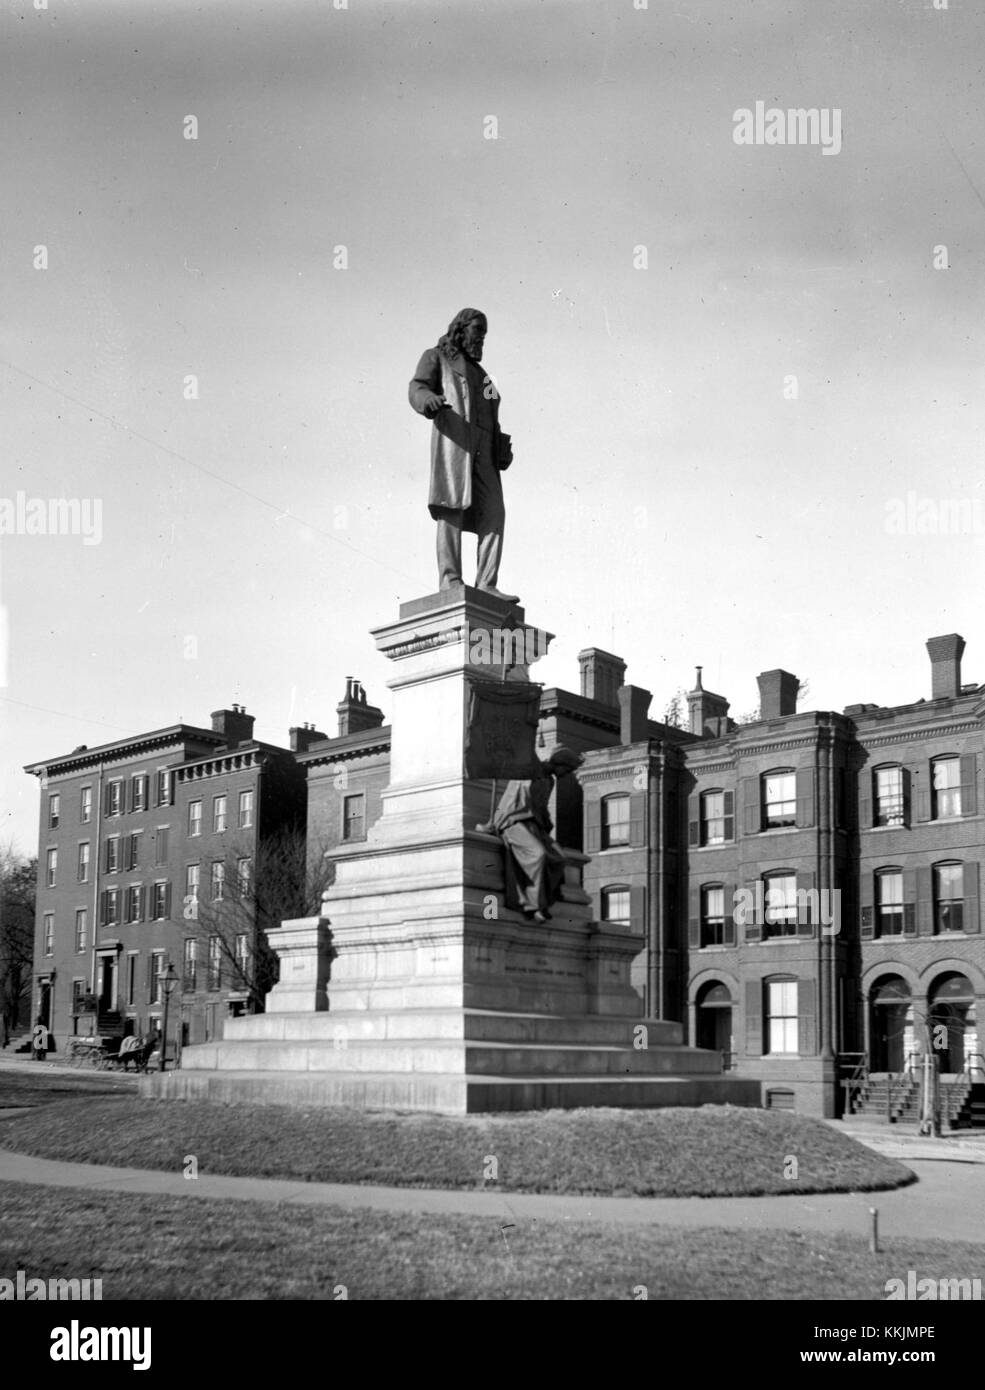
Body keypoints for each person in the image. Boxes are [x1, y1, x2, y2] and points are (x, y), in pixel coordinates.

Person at [408, 308, 518, 601]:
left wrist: (500, 445)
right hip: (456, 442)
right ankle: (450, 580)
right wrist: (427, 399)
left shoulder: (484, 377)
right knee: (451, 507)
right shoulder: (437, 357)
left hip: (485, 451)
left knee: (494, 512)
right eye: (477, 330)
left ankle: (486, 583)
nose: (481, 337)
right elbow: (417, 386)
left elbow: (494, 412)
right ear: (461, 328)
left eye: (484, 333)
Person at [478, 747, 584, 921]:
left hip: (535, 825)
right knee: (538, 854)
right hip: (514, 823)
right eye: (568, 769)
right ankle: (533, 905)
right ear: (560, 763)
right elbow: (508, 800)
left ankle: (546, 898)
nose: (567, 774)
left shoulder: (550, 781)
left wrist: (546, 824)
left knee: (559, 857)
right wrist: (494, 823)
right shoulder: (528, 773)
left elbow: (541, 808)